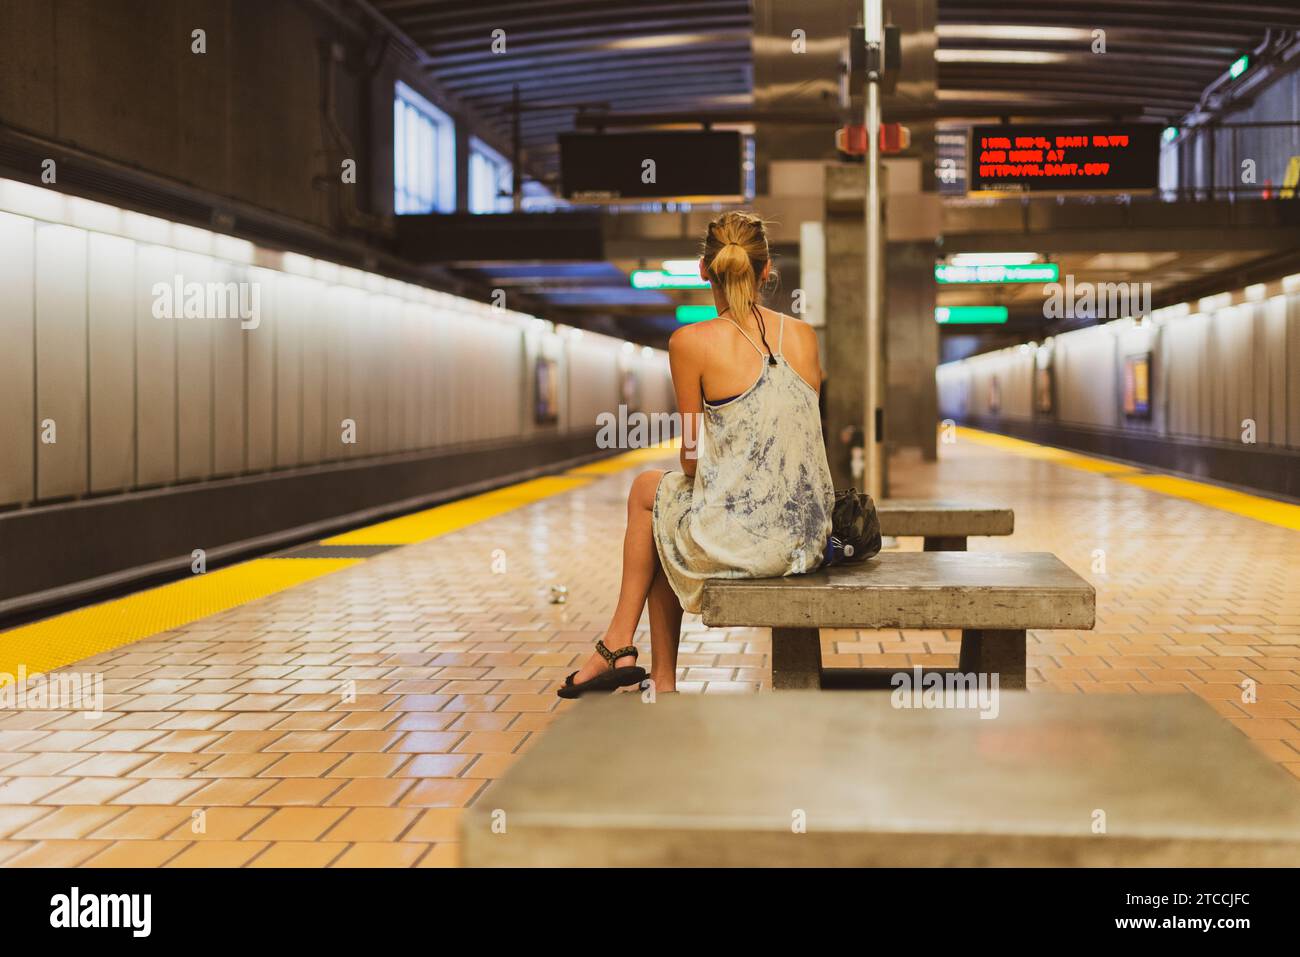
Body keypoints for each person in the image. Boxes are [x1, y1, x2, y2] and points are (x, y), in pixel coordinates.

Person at [557, 211, 834, 698]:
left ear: (702, 270)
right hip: (807, 538)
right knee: (667, 513)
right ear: (767, 270)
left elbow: (690, 458)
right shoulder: (805, 336)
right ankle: (649, 671)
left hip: (756, 544)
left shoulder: (690, 342)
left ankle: (622, 646)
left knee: (650, 493)